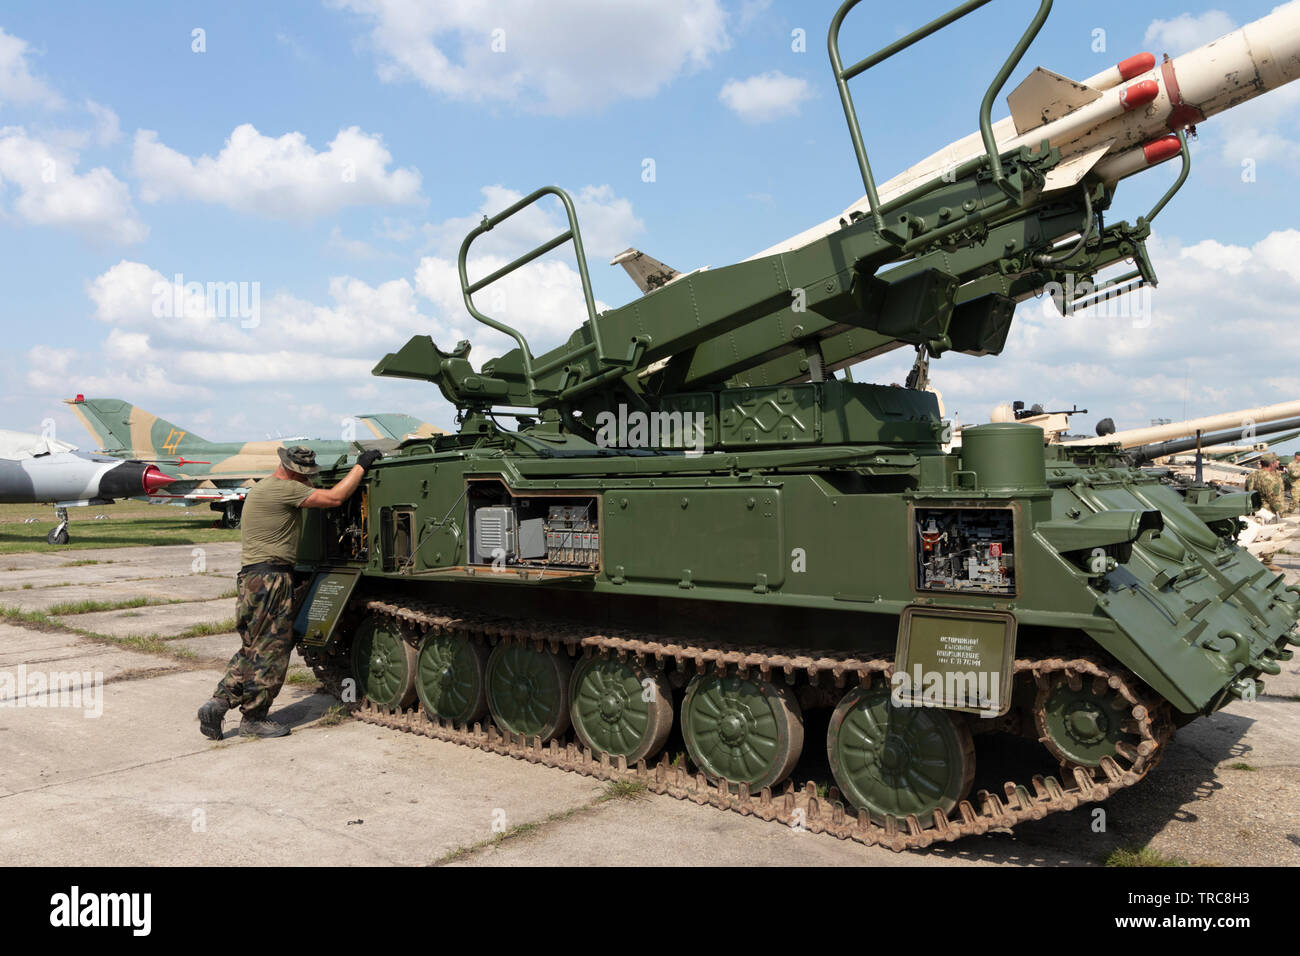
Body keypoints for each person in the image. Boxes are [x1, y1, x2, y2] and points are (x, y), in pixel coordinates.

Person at [198, 445, 381, 739]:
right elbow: (334, 498)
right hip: (272, 579)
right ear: (292, 471)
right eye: (304, 473)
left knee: (254, 648)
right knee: (272, 651)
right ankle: (254, 719)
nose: (307, 478)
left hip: (253, 578)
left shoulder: (263, 488)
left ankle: (219, 703)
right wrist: (362, 465)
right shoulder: (284, 490)